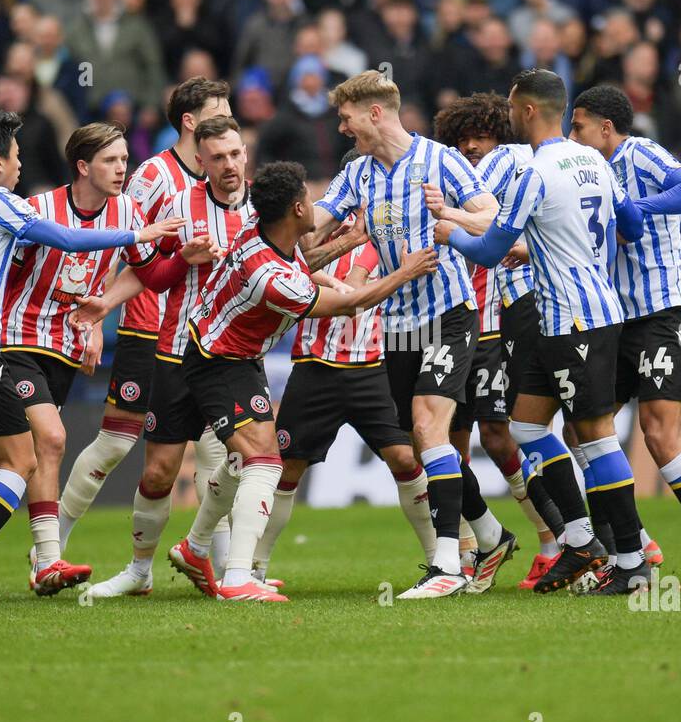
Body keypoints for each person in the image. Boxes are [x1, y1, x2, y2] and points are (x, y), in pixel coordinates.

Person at [73, 160, 439, 601]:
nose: (314, 202)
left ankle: (196, 547)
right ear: (297, 210)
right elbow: (346, 304)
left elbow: (303, 263)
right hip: (221, 363)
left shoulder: (257, 231)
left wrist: (350, 241)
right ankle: (238, 578)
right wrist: (406, 271)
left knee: (240, 458)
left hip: (213, 351)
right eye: (307, 196)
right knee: (264, 461)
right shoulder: (271, 278)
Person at [0, 111, 179, 607]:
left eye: (125, 159)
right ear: (82, 166)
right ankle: (38, 557)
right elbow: (61, 240)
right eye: (111, 159)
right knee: (42, 445)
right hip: (2, 341)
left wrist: (107, 306)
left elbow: (148, 276)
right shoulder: (22, 206)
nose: (122, 168)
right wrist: (141, 237)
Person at [436, 69, 656, 597]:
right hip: (555, 318)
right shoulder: (596, 163)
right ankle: (580, 539)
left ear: (528, 110)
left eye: (512, 109)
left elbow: (489, 250)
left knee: (597, 436)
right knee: (528, 428)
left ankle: (633, 559)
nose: (509, 116)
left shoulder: (534, 174)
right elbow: (632, 227)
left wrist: (451, 233)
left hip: (580, 318)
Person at [314, 70, 515, 599]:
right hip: (398, 323)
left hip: (450, 313)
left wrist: (446, 211)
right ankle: (492, 537)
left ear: (374, 113)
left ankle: (448, 564)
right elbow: (316, 220)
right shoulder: (357, 173)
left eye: (346, 117)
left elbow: (491, 217)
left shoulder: (441, 160)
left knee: (429, 426)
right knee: (432, 444)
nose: (342, 127)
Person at [79, 116, 254, 598]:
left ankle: (227, 565)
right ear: (201, 162)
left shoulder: (264, 206)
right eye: (218, 157)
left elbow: (292, 261)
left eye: (236, 154)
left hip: (236, 356)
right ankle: (139, 571)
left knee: (250, 457)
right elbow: (152, 276)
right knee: (158, 471)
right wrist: (185, 259)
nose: (230, 165)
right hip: (177, 352)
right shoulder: (180, 206)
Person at [57, 77, 231, 557]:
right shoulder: (153, 175)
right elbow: (120, 241)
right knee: (116, 444)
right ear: (191, 122)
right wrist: (95, 315)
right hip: (150, 329)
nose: (230, 116)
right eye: (221, 109)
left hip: (209, 334)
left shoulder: (227, 173)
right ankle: (52, 546)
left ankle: (227, 571)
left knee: (219, 451)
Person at [569, 85, 681, 584]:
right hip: (618, 320)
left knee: (659, 434)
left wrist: (640, 207)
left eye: (578, 127)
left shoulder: (638, 153)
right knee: (581, 430)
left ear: (605, 128)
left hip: (664, 312)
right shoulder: (585, 172)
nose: (570, 136)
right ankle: (636, 546)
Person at [429, 94, 567, 588]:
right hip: (452, 321)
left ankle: (556, 536)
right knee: (446, 441)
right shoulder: (449, 178)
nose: (471, 147)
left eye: (481, 138)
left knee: (501, 435)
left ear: (500, 139)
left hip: (496, 322)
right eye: (462, 139)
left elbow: (511, 237)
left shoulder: (514, 175)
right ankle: (472, 547)